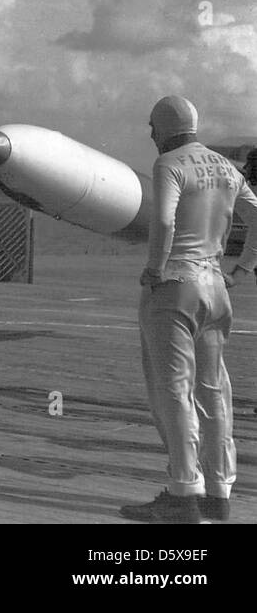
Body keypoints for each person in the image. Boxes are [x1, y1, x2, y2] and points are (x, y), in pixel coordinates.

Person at [121, 95, 257, 524]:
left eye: (151, 128)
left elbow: (163, 221)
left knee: (173, 391)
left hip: (175, 287)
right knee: (214, 391)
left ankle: (183, 492)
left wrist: (154, 268)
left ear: (163, 128)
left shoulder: (170, 164)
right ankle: (219, 493)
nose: (151, 136)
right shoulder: (226, 168)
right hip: (217, 286)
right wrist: (246, 266)